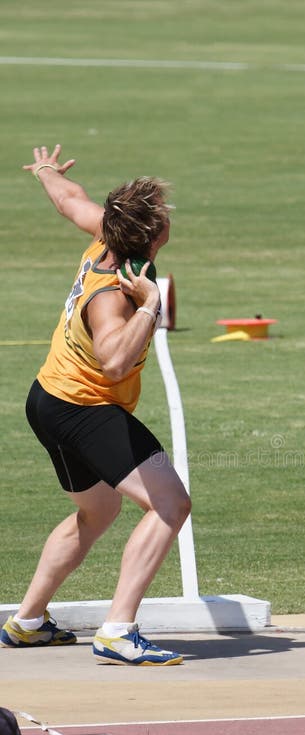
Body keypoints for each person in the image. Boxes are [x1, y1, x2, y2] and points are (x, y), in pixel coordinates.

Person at [0, 144, 191, 665]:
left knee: (98, 509)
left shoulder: (107, 234)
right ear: (154, 235)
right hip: (85, 408)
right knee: (171, 504)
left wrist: (46, 171)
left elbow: (69, 200)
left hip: (49, 398)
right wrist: (150, 306)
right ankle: (118, 631)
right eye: (162, 215)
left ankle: (27, 623)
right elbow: (113, 362)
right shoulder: (114, 295)